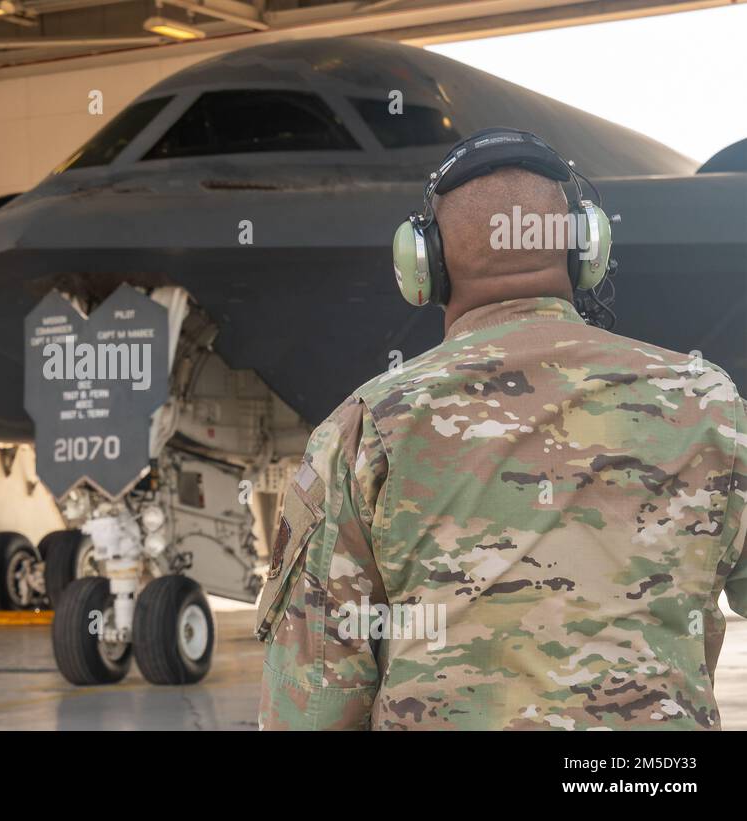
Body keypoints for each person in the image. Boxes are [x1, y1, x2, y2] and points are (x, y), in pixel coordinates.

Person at [256, 129, 747, 730]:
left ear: (423, 266)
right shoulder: (710, 403)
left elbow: (314, 699)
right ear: (586, 250)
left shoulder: (367, 428)